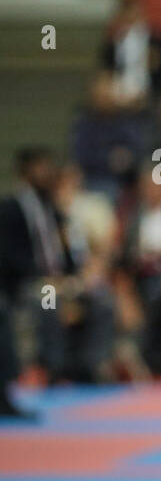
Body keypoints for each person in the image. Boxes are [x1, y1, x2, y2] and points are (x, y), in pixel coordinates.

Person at [0, 147, 63, 419]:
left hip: (52, 279)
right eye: (40, 166)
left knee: (96, 299)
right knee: (49, 303)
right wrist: (40, 274)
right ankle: (48, 366)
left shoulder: (48, 206)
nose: (47, 172)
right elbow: (8, 254)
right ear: (25, 171)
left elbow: (61, 248)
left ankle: (66, 366)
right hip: (23, 284)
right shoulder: (11, 207)